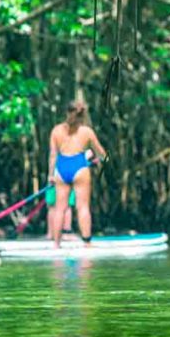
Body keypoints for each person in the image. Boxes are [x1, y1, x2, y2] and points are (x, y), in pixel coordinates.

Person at [48, 101, 107, 248]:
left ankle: (56, 245)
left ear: (67, 112)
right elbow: (102, 154)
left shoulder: (56, 131)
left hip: (61, 169)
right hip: (80, 167)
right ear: (83, 115)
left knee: (59, 208)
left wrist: (50, 176)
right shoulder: (87, 132)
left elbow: (53, 156)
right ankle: (87, 243)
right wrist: (97, 160)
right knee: (83, 208)